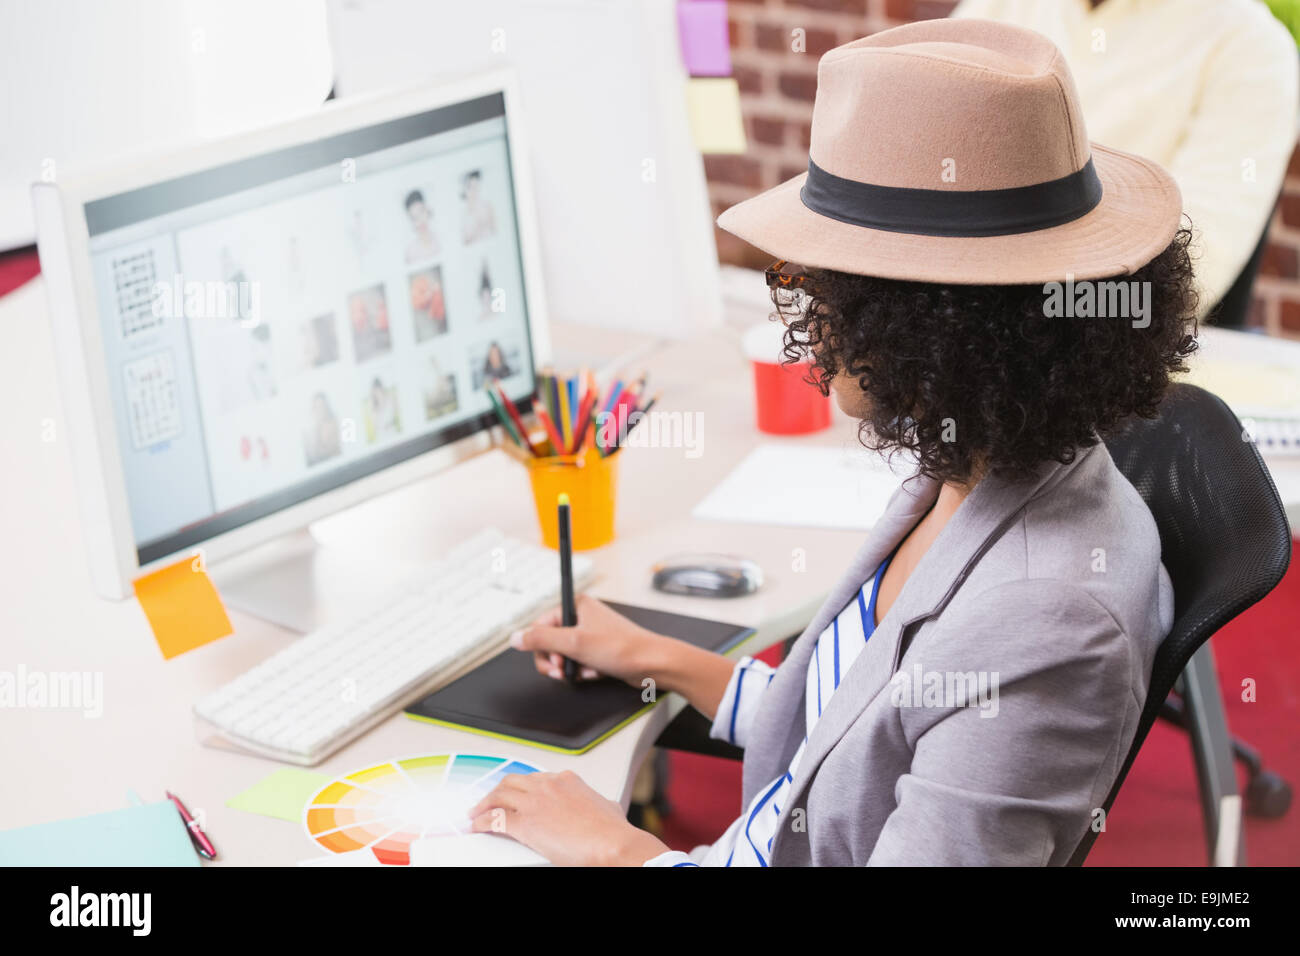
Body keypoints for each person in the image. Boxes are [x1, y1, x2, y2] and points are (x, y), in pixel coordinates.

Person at [466, 19, 1199, 866]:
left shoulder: (1048, 620)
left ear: (929, 324)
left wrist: (616, 852)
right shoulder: (978, 463)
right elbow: (859, 723)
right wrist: (657, 657)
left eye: (822, 293)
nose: (805, 335)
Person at [952, 0, 1299, 323]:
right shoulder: (998, 7)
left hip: (1100, 357)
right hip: (955, 326)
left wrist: (1012, 309)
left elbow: (1181, 280)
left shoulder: (1249, 45)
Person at [403, 189, 441, 264]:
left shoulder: (441, 239)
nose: (420, 221)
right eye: (415, 217)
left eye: (421, 212)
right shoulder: (410, 252)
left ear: (427, 211)